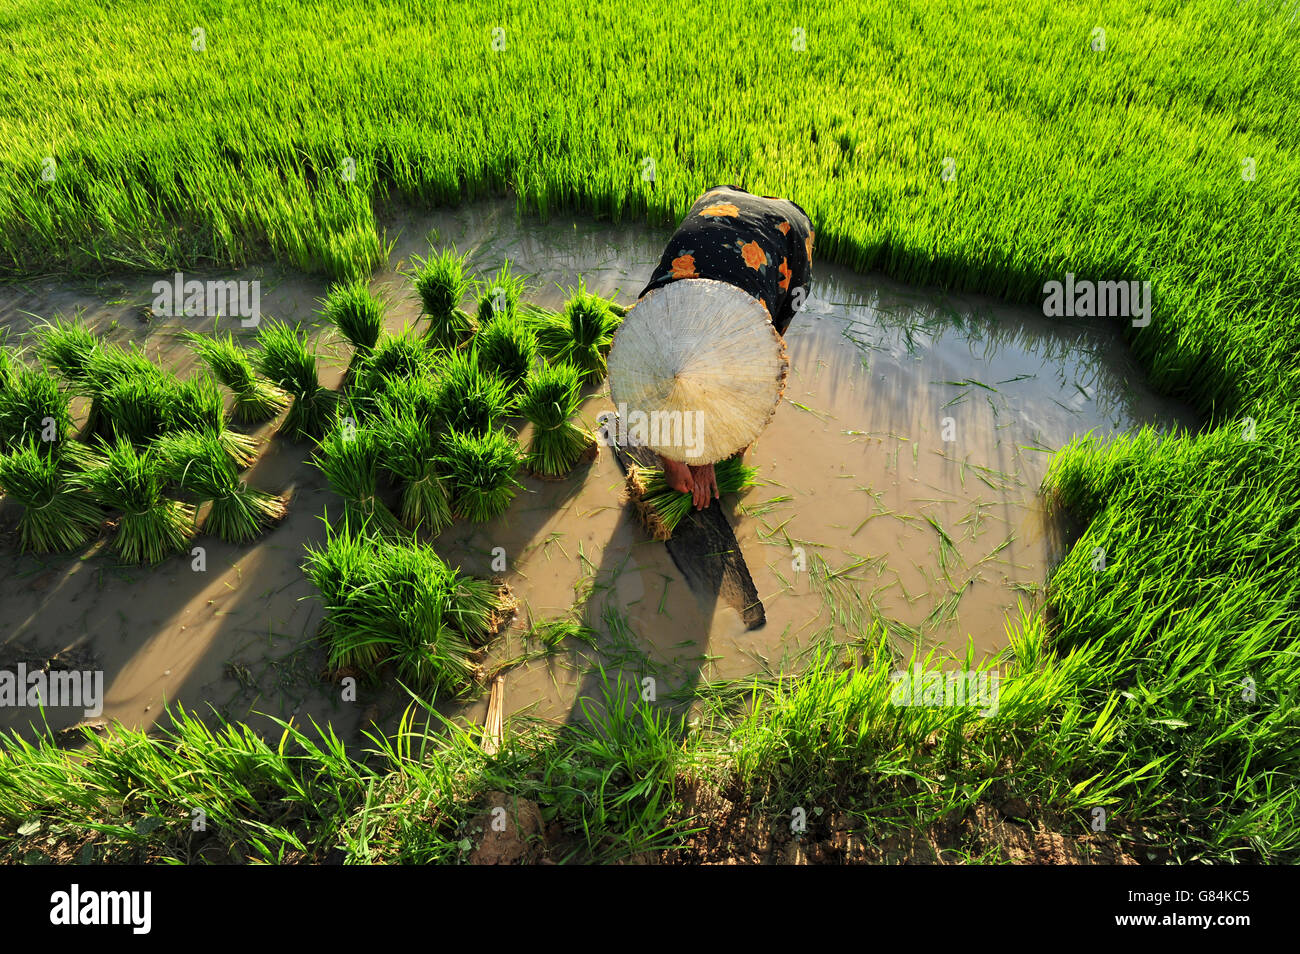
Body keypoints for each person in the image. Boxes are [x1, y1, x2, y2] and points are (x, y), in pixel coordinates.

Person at [636, 184, 814, 509]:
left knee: (743, 413)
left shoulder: (746, 345)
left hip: (785, 237)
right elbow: (648, 385)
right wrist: (672, 461)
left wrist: (710, 455)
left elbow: (750, 398)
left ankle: (732, 456)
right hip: (714, 211)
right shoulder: (654, 319)